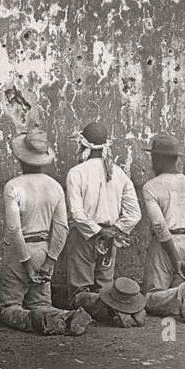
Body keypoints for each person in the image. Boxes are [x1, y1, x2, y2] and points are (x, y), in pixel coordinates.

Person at [0, 127, 91, 336]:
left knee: (9, 307)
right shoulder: (55, 187)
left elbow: (13, 229)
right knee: (41, 303)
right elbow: (61, 228)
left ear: (20, 159)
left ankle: (34, 321)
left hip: (18, 252)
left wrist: (26, 262)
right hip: (43, 249)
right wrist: (50, 261)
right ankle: (66, 316)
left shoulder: (13, 186)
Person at [63, 121, 142, 312]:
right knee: (105, 286)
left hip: (84, 237)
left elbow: (76, 212)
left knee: (78, 291)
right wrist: (112, 232)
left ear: (83, 145)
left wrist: (100, 231)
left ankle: (103, 310)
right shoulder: (120, 174)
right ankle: (118, 310)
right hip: (110, 238)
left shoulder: (76, 173)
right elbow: (134, 214)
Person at [139, 132, 185, 324]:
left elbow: (159, 225)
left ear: (158, 158)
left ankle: (179, 296)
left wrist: (173, 256)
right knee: (177, 289)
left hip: (165, 245)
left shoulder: (151, 186)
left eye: (153, 158)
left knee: (150, 297)